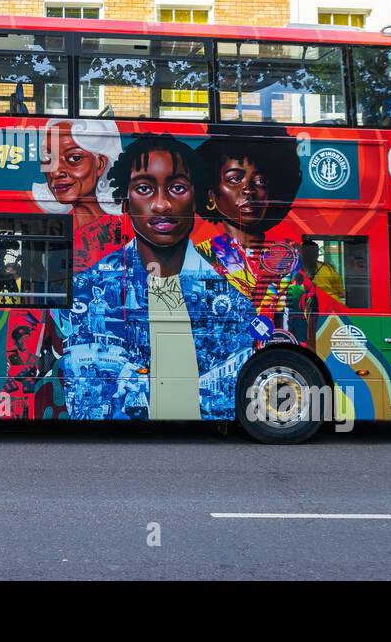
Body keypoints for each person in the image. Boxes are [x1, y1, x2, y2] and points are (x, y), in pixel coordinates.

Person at [51, 134, 257, 421]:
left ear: (196, 199)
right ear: (125, 201)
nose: (162, 205)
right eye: (145, 188)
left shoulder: (233, 293)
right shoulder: (90, 286)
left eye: (177, 188)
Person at [193, 126, 306, 338]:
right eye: (235, 179)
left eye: (260, 181)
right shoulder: (202, 254)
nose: (248, 190)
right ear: (211, 196)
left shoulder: (290, 256)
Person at [33, 118, 123, 270]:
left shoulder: (127, 228)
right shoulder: (57, 228)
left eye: (74, 158)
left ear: (100, 164)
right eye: (48, 159)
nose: (55, 172)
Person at [300, 239, 346, 304]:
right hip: (331, 305)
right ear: (316, 254)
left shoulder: (295, 270)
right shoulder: (328, 268)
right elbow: (340, 291)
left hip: (311, 306)